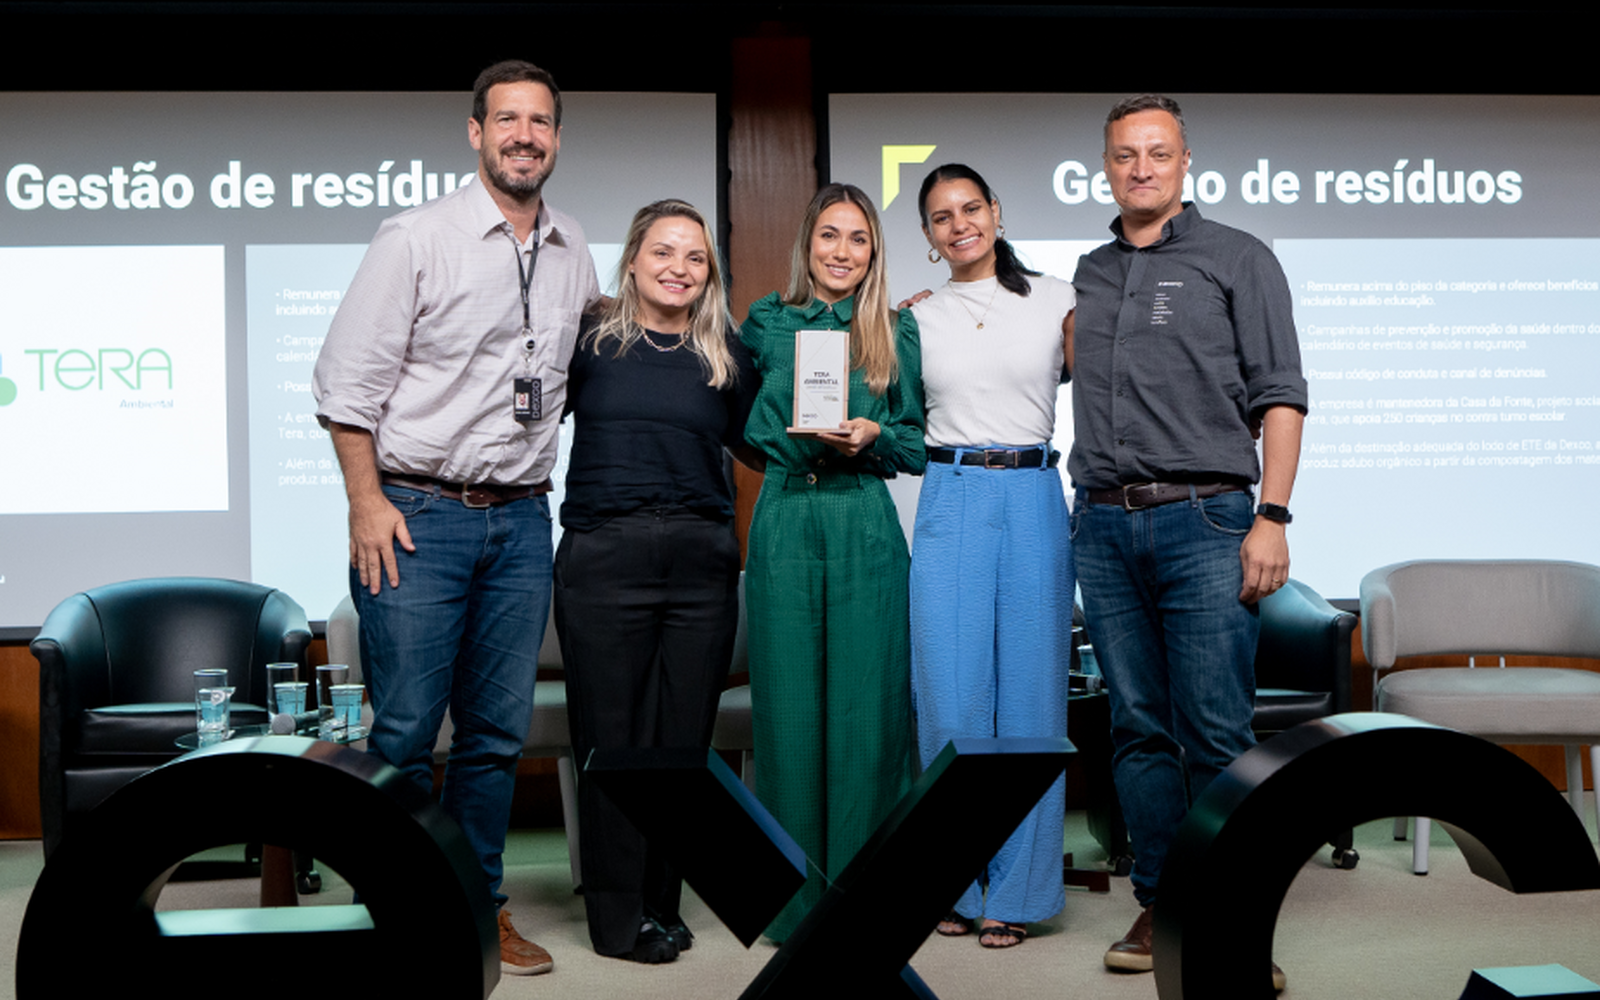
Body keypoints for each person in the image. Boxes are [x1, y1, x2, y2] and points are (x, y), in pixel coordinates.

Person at [312, 59, 599, 976]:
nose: (525, 135)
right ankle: (389, 912)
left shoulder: (574, 247)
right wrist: (366, 502)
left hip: (521, 523)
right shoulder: (415, 239)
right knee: (403, 734)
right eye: (507, 120)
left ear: (557, 137)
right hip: (417, 516)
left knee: (492, 740)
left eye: (541, 121)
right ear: (474, 133)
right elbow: (345, 389)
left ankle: (479, 908)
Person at [1067, 95, 1305, 989]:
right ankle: (1162, 900)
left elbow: (1280, 394)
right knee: (1136, 730)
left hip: (1209, 520)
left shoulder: (1239, 257)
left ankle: (1234, 917)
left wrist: (1271, 517)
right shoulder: (1086, 273)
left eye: (1156, 153)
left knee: (1216, 733)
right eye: (1125, 154)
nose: (1140, 168)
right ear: (1107, 165)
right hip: (1102, 522)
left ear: (1184, 162)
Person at [555, 199, 759, 963]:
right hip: (605, 556)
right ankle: (616, 918)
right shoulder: (590, 343)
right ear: (634, 260)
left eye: (695, 258)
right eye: (664, 253)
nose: (679, 268)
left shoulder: (724, 355)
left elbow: (760, 443)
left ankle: (662, 904)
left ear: (709, 274)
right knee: (613, 742)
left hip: (703, 565)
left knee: (680, 744)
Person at [740, 182, 926, 942]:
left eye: (857, 238)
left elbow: (915, 444)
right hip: (784, 513)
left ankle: (866, 896)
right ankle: (791, 904)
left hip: (860, 517)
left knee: (867, 711)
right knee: (785, 712)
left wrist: (871, 437)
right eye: (829, 236)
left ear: (873, 250)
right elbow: (741, 427)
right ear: (806, 243)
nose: (841, 252)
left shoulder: (895, 330)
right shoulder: (765, 322)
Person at [909, 164, 1075, 949]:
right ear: (928, 235)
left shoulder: (1060, 297)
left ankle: (1018, 890)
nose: (959, 224)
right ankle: (950, 877)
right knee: (949, 697)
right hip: (952, 495)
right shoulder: (915, 316)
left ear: (997, 213)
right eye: (941, 217)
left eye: (971, 208)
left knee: (1033, 702)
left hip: (1035, 495)